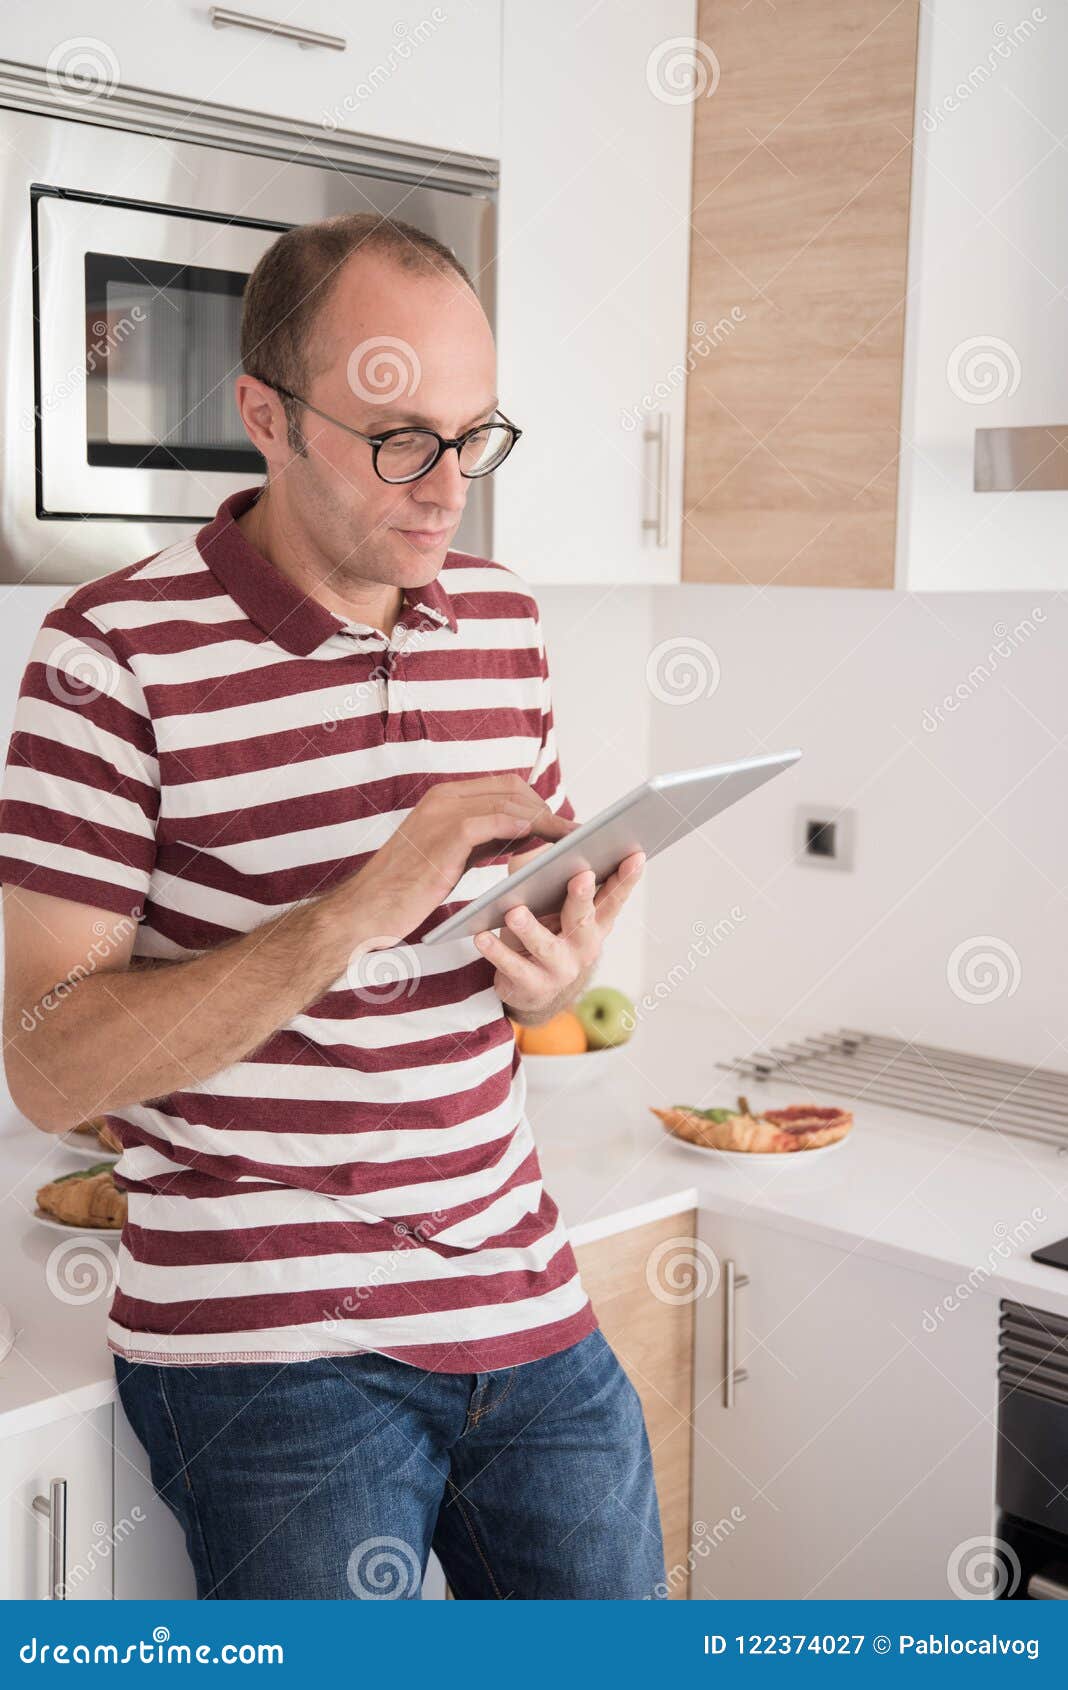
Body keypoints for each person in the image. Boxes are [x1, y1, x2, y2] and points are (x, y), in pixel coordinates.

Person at [0, 213, 664, 1600]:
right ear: (265, 415)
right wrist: (350, 908)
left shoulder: (504, 625)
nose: (446, 490)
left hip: (521, 1293)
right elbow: (49, 1059)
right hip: (270, 1343)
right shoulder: (106, 658)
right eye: (398, 436)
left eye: (476, 436)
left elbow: (482, 960)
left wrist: (541, 973)